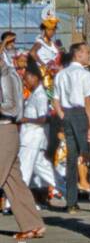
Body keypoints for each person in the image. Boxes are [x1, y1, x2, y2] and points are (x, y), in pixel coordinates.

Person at [52, 41, 90, 211]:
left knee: (72, 159)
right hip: (82, 114)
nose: (89, 55)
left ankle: (71, 202)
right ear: (78, 54)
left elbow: (55, 99)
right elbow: (88, 100)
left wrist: (63, 115)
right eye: (86, 52)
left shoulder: (61, 74)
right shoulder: (85, 74)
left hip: (67, 114)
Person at [0, 57, 44, 240]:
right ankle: (32, 225)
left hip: (5, 129)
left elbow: (13, 108)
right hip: (6, 131)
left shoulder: (7, 75)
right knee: (14, 182)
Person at [18, 64, 57, 198]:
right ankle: (68, 192)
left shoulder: (40, 95)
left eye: (26, 78)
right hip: (30, 139)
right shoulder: (34, 94)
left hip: (32, 140)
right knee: (45, 171)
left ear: (35, 77)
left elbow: (43, 119)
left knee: (23, 171)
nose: (25, 81)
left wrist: (24, 120)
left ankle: (12, 203)